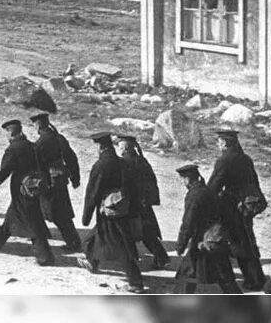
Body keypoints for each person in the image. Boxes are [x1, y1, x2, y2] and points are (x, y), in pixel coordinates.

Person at [78, 131, 144, 293]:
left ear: (100, 147)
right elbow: (133, 187)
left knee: (121, 247)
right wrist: (134, 208)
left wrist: (86, 216)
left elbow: (92, 192)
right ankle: (92, 261)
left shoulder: (101, 165)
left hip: (108, 211)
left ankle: (135, 283)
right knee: (96, 237)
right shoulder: (123, 163)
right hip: (123, 208)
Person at [0, 119, 55, 266]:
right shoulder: (33, 146)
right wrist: (46, 184)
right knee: (16, 211)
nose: (7, 137)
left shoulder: (13, 149)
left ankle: (45, 255)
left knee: (32, 220)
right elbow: (44, 167)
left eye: (7, 134)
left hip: (22, 188)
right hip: (35, 186)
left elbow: (4, 171)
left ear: (11, 133)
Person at [207, 129, 267, 291]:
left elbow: (214, 185)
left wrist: (205, 200)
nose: (217, 144)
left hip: (231, 207)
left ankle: (252, 280)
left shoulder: (224, 160)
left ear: (225, 143)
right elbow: (254, 182)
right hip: (246, 206)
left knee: (236, 243)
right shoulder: (245, 158)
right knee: (247, 241)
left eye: (219, 141)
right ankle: (256, 277)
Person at [173, 163, 241, 294]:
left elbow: (188, 223)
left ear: (187, 179)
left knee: (189, 273)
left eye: (182, 179)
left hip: (202, 241)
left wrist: (180, 244)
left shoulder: (194, 196)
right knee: (223, 276)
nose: (182, 182)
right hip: (215, 238)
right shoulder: (207, 190)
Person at [116, 134, 170, 269]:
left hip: (133, 204)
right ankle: (160, 257)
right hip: (142, 203)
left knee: (134, 231)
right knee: (147, 232)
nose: (118, 149)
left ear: (125, 149)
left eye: (120, 146)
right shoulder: (141, 160)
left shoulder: (125, 162)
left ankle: (134, 259)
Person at [30, 112, 81, 252]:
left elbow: (37, 166)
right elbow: (71, 158)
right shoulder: (60, 139)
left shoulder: (40, 143)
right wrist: (75, 177)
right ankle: (49, 234)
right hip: (61, 178)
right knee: (60, 210)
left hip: (48, 181)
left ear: (38, 126)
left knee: (57, 213)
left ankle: (73, 242)